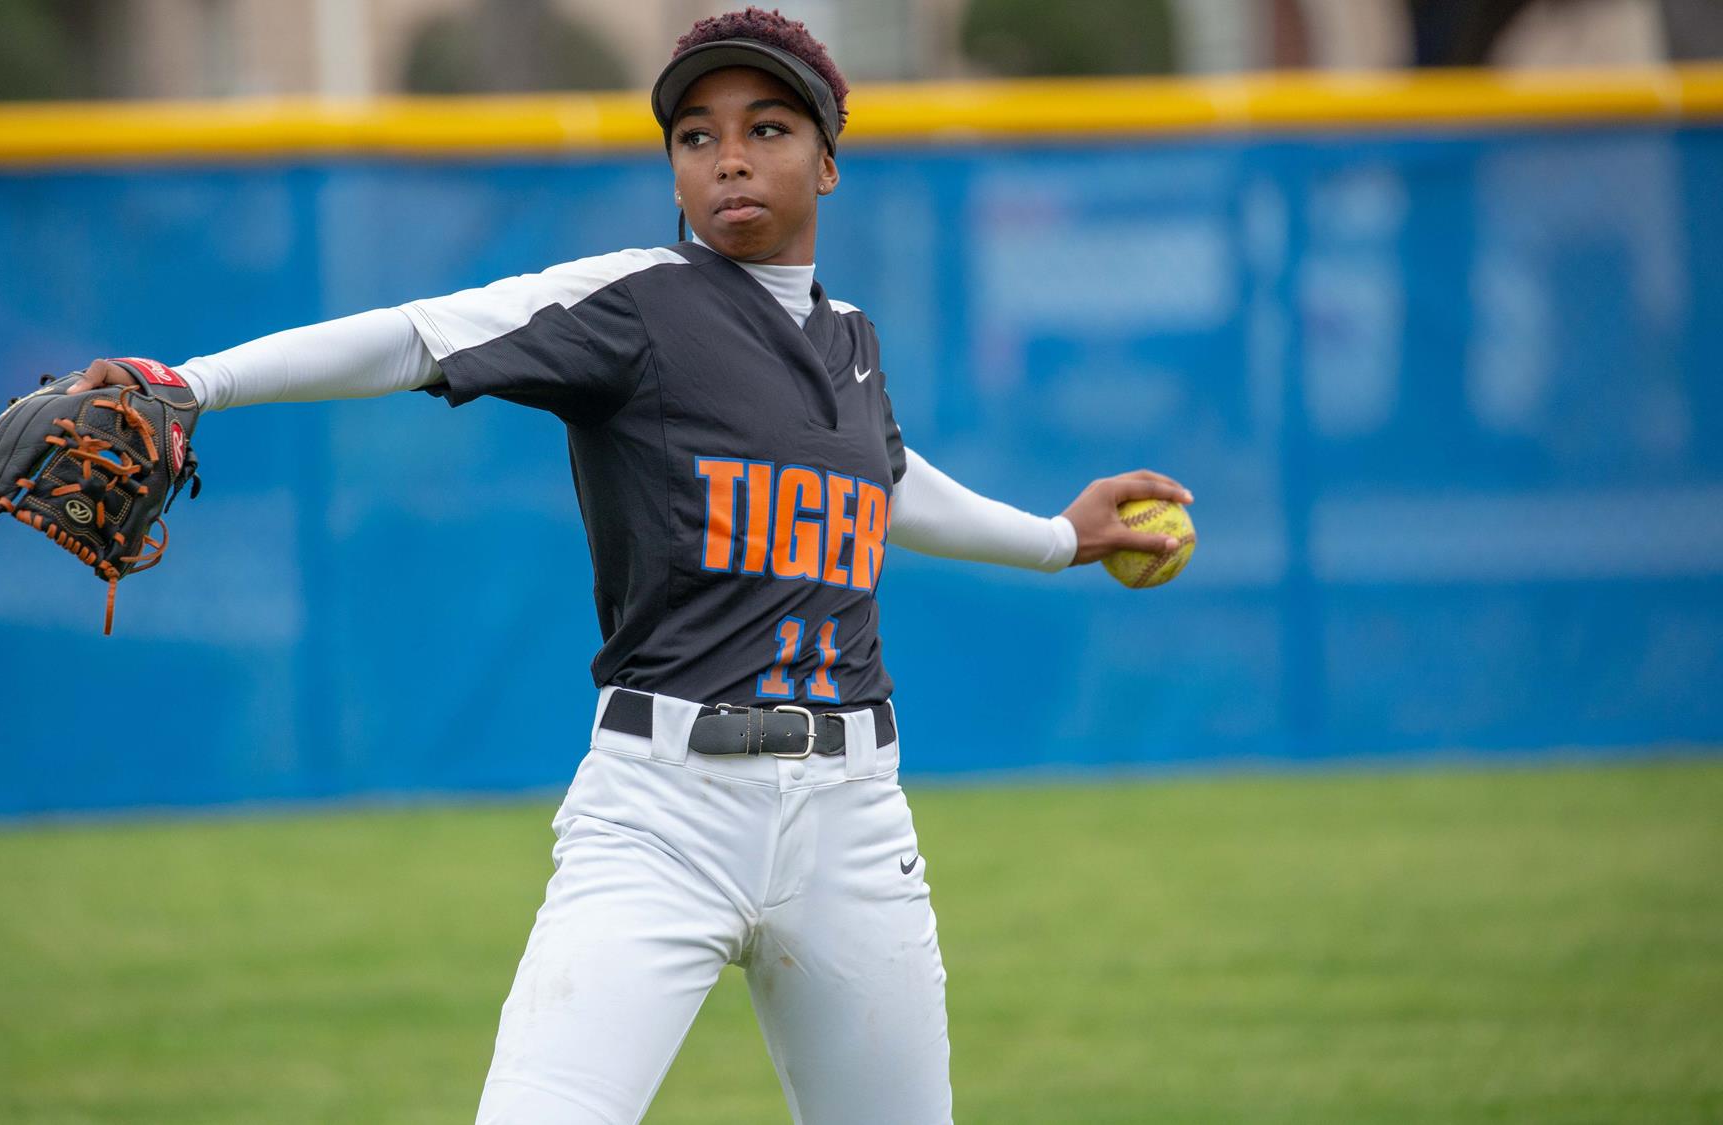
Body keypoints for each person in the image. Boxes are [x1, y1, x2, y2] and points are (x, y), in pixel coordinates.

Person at [67, 8, 1191, 1122]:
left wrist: (1057, 539)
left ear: (827, 162)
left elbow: (882, 484)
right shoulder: (634, 302)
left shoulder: (849, 338)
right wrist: (193, 384)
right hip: (665, 809)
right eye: (696, 137)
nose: (729, 157)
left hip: (854, 814)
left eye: (766, 128)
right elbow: (416, 336)